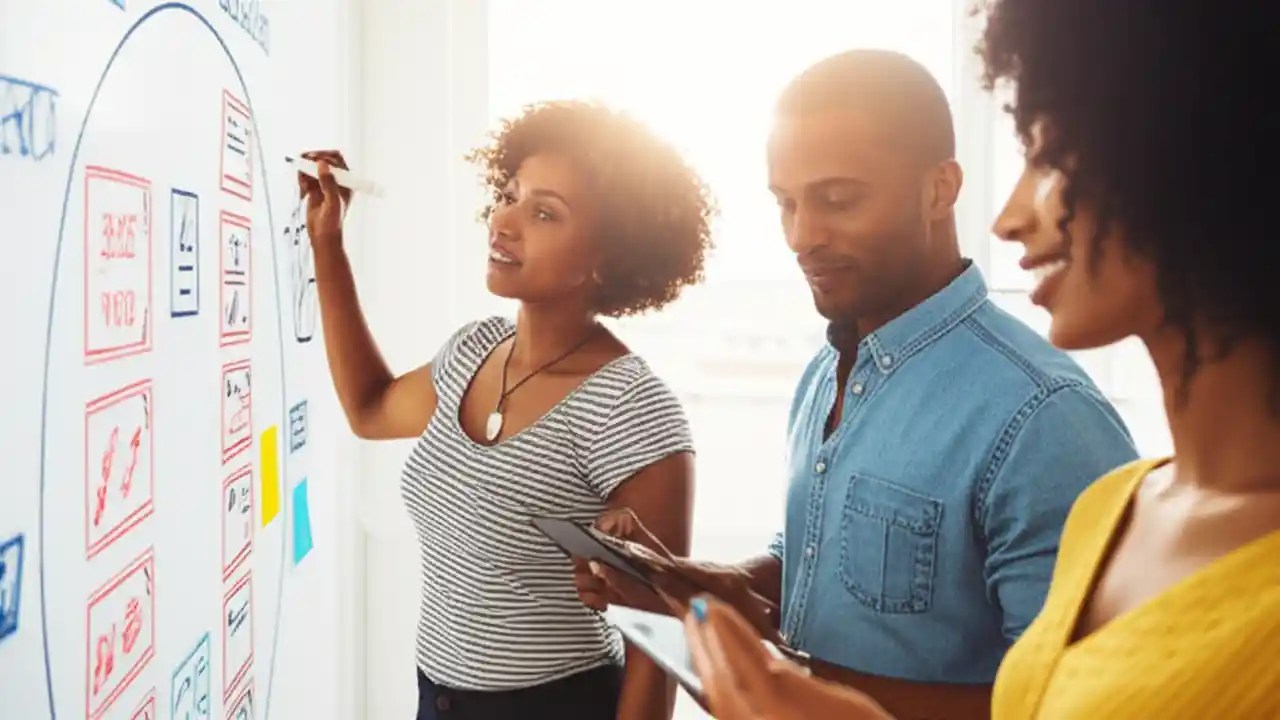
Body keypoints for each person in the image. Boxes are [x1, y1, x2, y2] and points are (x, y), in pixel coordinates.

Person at [676, 1, 1280, 718]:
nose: (1009, 217)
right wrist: (721, 592)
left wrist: (822, 703)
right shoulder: (1111, 511)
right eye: (785, 203)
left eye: (1052, 158)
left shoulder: (1046, 416)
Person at [573, 50, 1138, 719]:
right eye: (786, 204)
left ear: (940, 188)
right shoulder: (827, 370)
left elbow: (1067, 705)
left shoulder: (1044, 418)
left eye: (837, 200)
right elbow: (831, 565)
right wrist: (706, 586)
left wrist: (789, 687)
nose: (801, 236)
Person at [298, 99, 715, 720]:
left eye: (544, 212)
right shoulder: (473, 350)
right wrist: (327, 242)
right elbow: (370, 409)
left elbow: (657, 644)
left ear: (608, 255)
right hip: (436, 701)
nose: (505, 221)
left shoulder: (631, 408)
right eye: (511, 194)